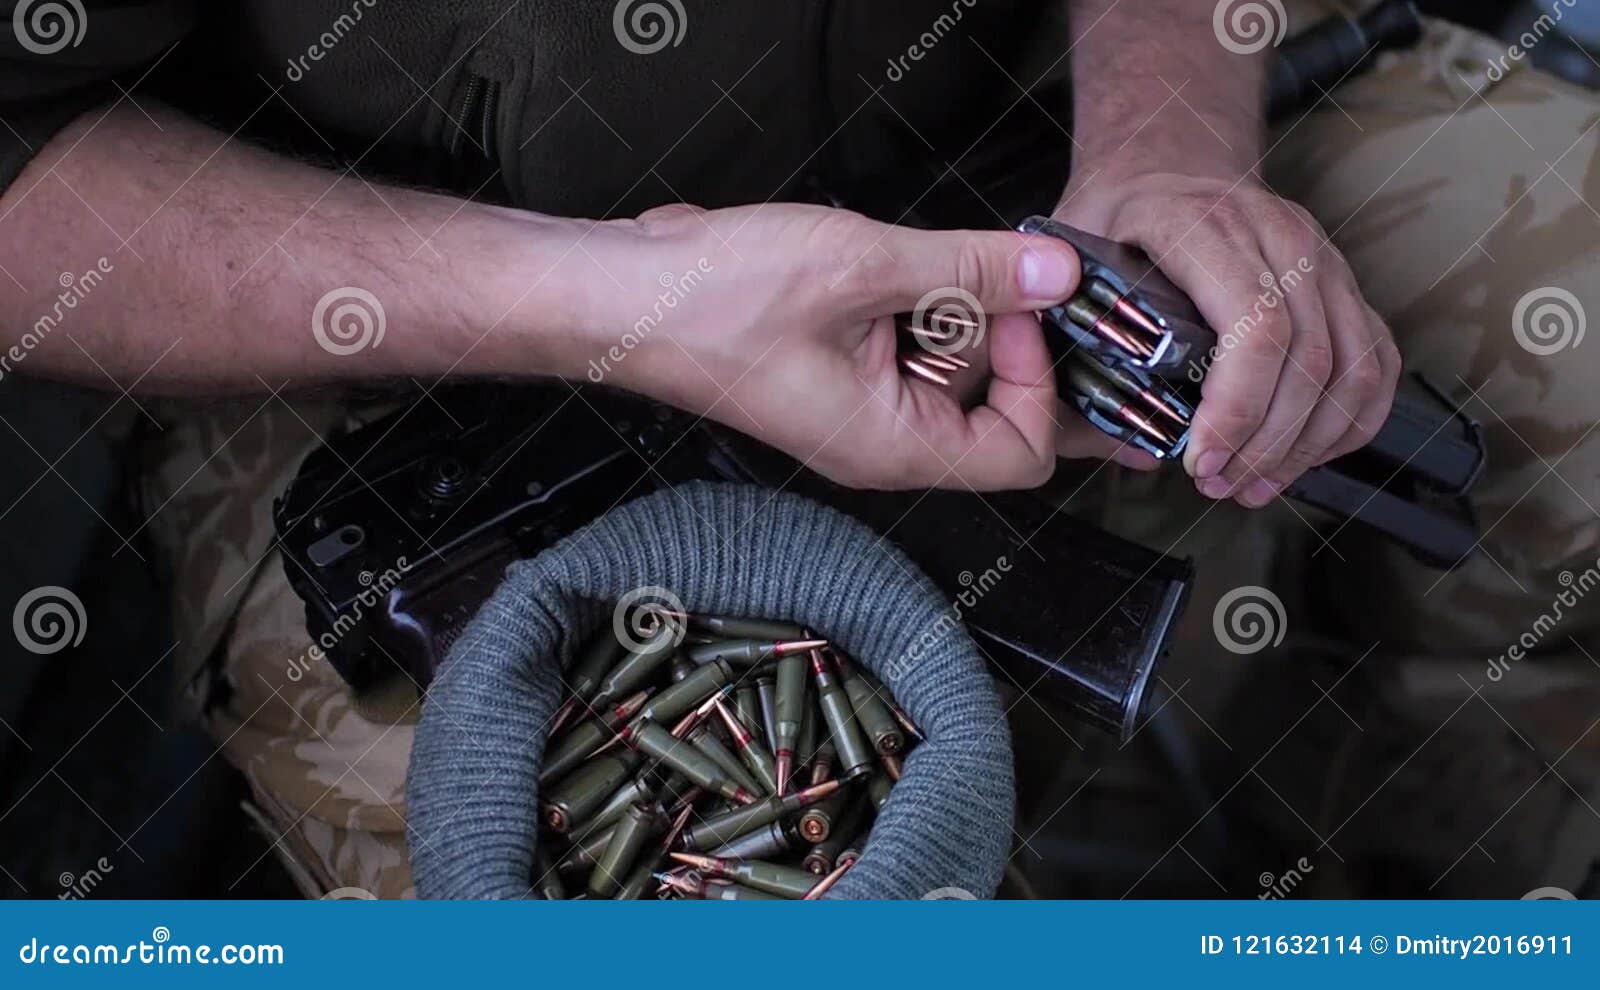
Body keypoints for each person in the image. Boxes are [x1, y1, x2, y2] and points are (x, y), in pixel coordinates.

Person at [2, 0, 1596, 897]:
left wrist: (1168, 141)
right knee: (686, 892)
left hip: (1017, 130)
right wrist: (620, 307)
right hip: (390, 354)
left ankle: (1372, 846)